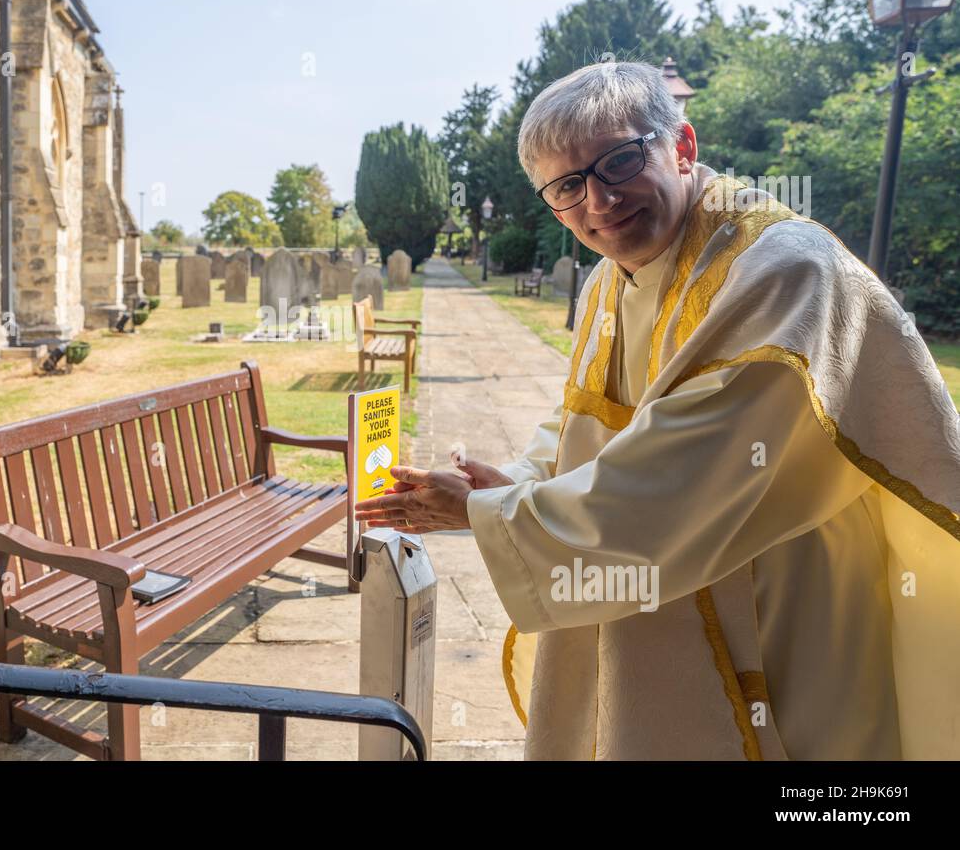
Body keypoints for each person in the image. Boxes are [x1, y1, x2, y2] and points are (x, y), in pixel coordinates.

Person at [353, 60, 960, 760]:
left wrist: (487, 514)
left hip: (783, 598)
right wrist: (515, 479)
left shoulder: (785, 267)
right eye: (567, 186)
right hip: (646, 591)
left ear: (683, 146)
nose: (600, 200)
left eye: (619, 160)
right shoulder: (609, 279)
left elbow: (691, 475)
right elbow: (589, 417)